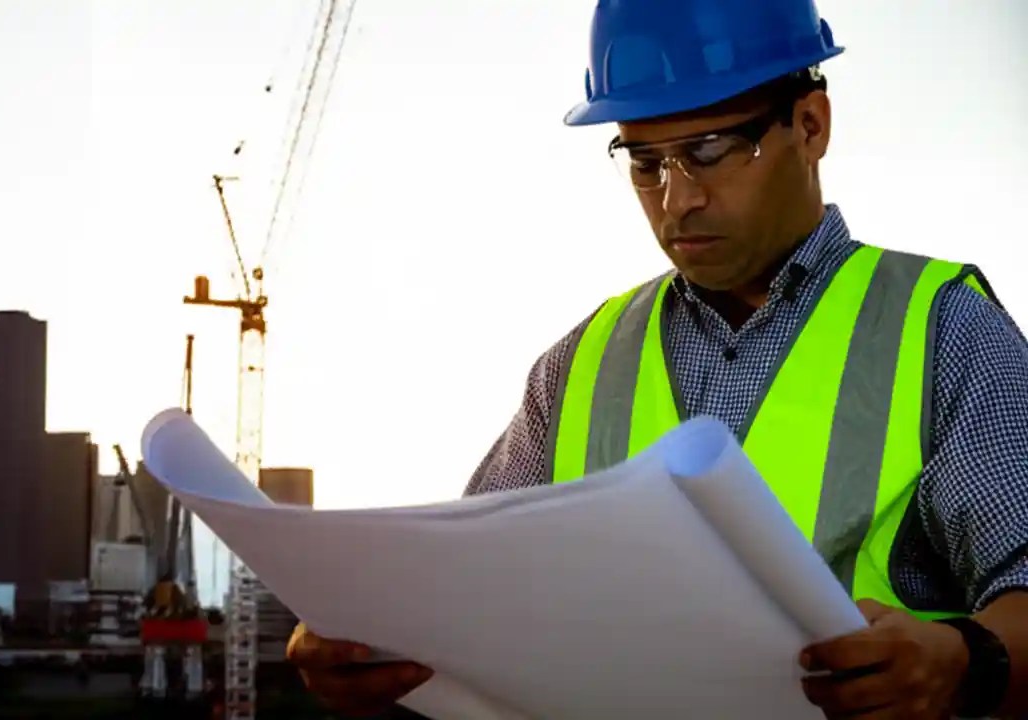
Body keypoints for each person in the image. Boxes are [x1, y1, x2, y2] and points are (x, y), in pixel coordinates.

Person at [287, 1, 1028, 717]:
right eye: (645, 162)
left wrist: (968, 664)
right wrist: (368, 636)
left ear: (811, 125)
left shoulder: (940, 329)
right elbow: (465, 593)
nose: (676, 201)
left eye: (710, 151)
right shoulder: (577, 367)